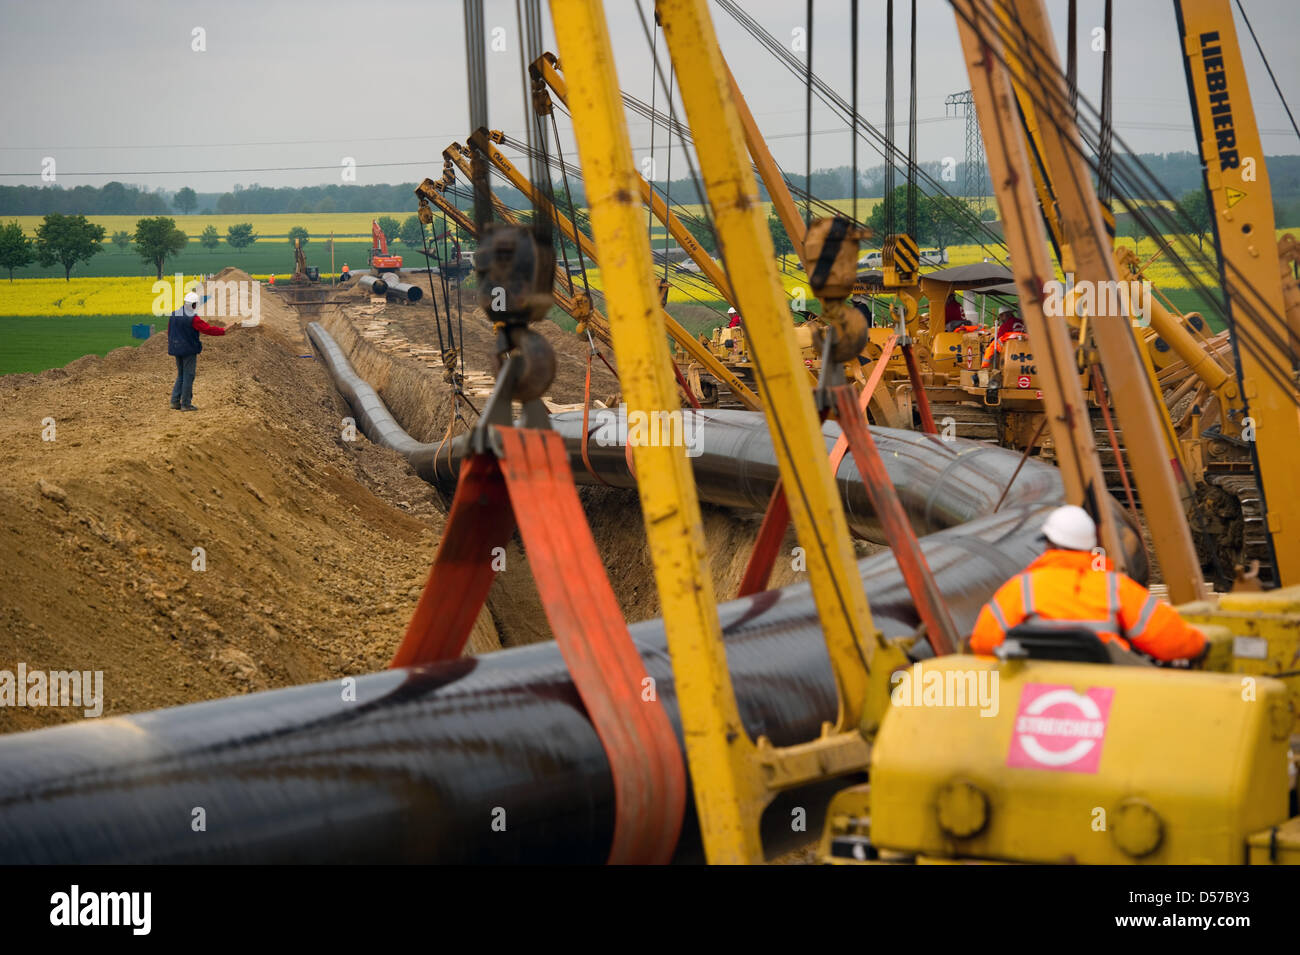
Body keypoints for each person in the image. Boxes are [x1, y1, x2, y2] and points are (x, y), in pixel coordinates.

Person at [969, 505, 1208, 663]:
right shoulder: (1116, 588)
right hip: (1107, 692)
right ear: (1090, 546)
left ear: (1048, 544)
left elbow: (983, 643)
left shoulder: (1022, 588)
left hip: (1036, 691)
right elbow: (1172, 643)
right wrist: (1202, 643)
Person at [168, 291, 237, 411]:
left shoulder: (174, 314)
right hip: (188, 350)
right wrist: (223, 330)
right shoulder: (193, 318)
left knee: (181, 375)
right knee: (188, 376)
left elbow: (170, 331)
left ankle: (175, 402)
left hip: (175, 348)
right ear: (194, 305)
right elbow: (207, 329)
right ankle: (186, 404)